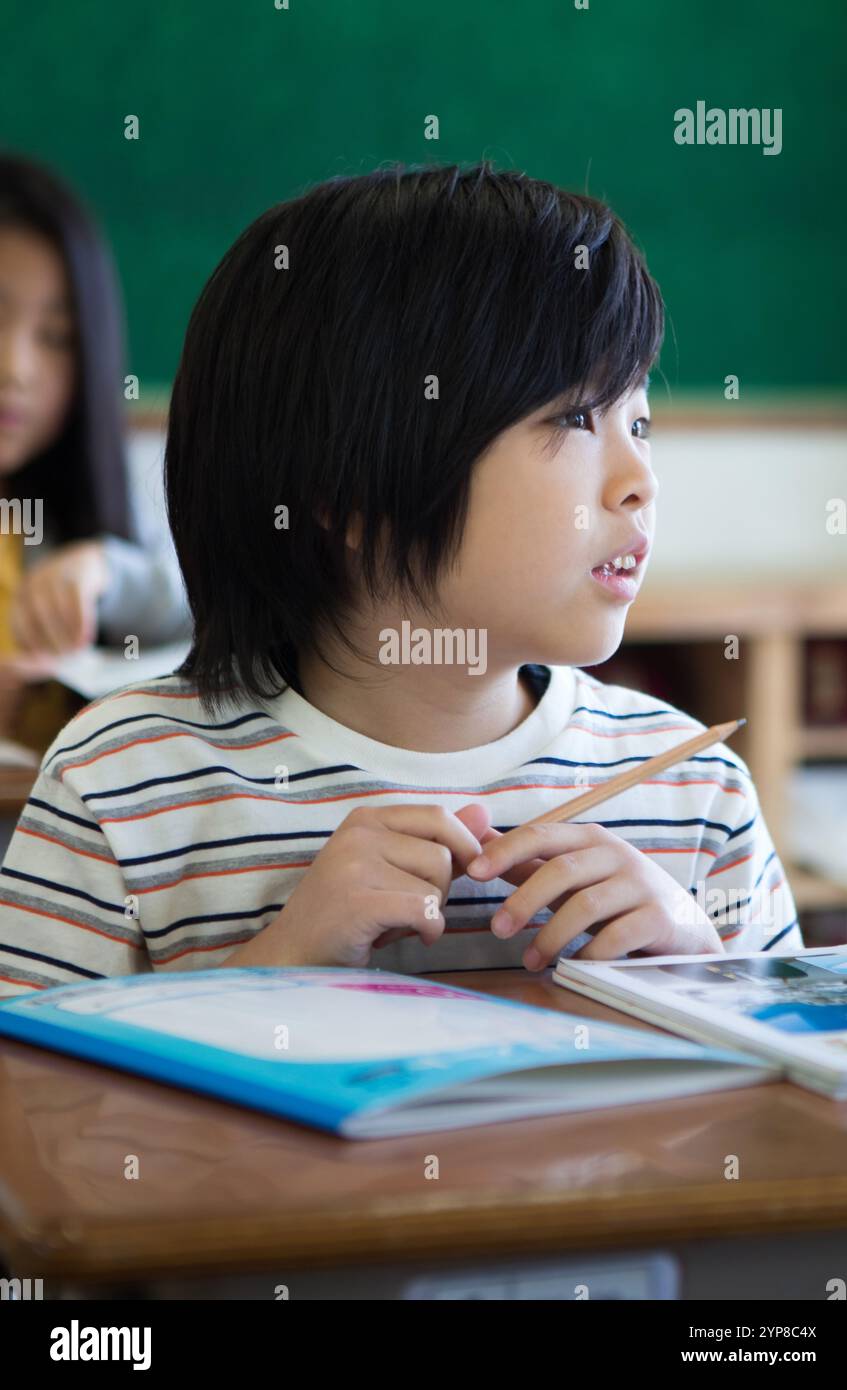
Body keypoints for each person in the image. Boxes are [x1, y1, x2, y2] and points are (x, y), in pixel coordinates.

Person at [0, 162, 802, 999]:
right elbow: (29, 1117)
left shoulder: (692, 791)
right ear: (348, 493)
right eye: (573, 417)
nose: (641, 479)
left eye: (639, 420)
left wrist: (710, 975)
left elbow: (803, 1101)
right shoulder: (123, 783)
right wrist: (274, 968)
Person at [0, 152, 190, 755]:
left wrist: (103, 570)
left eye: (57, 338)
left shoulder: (61, 525)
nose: (15, 368)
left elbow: (202, 607)